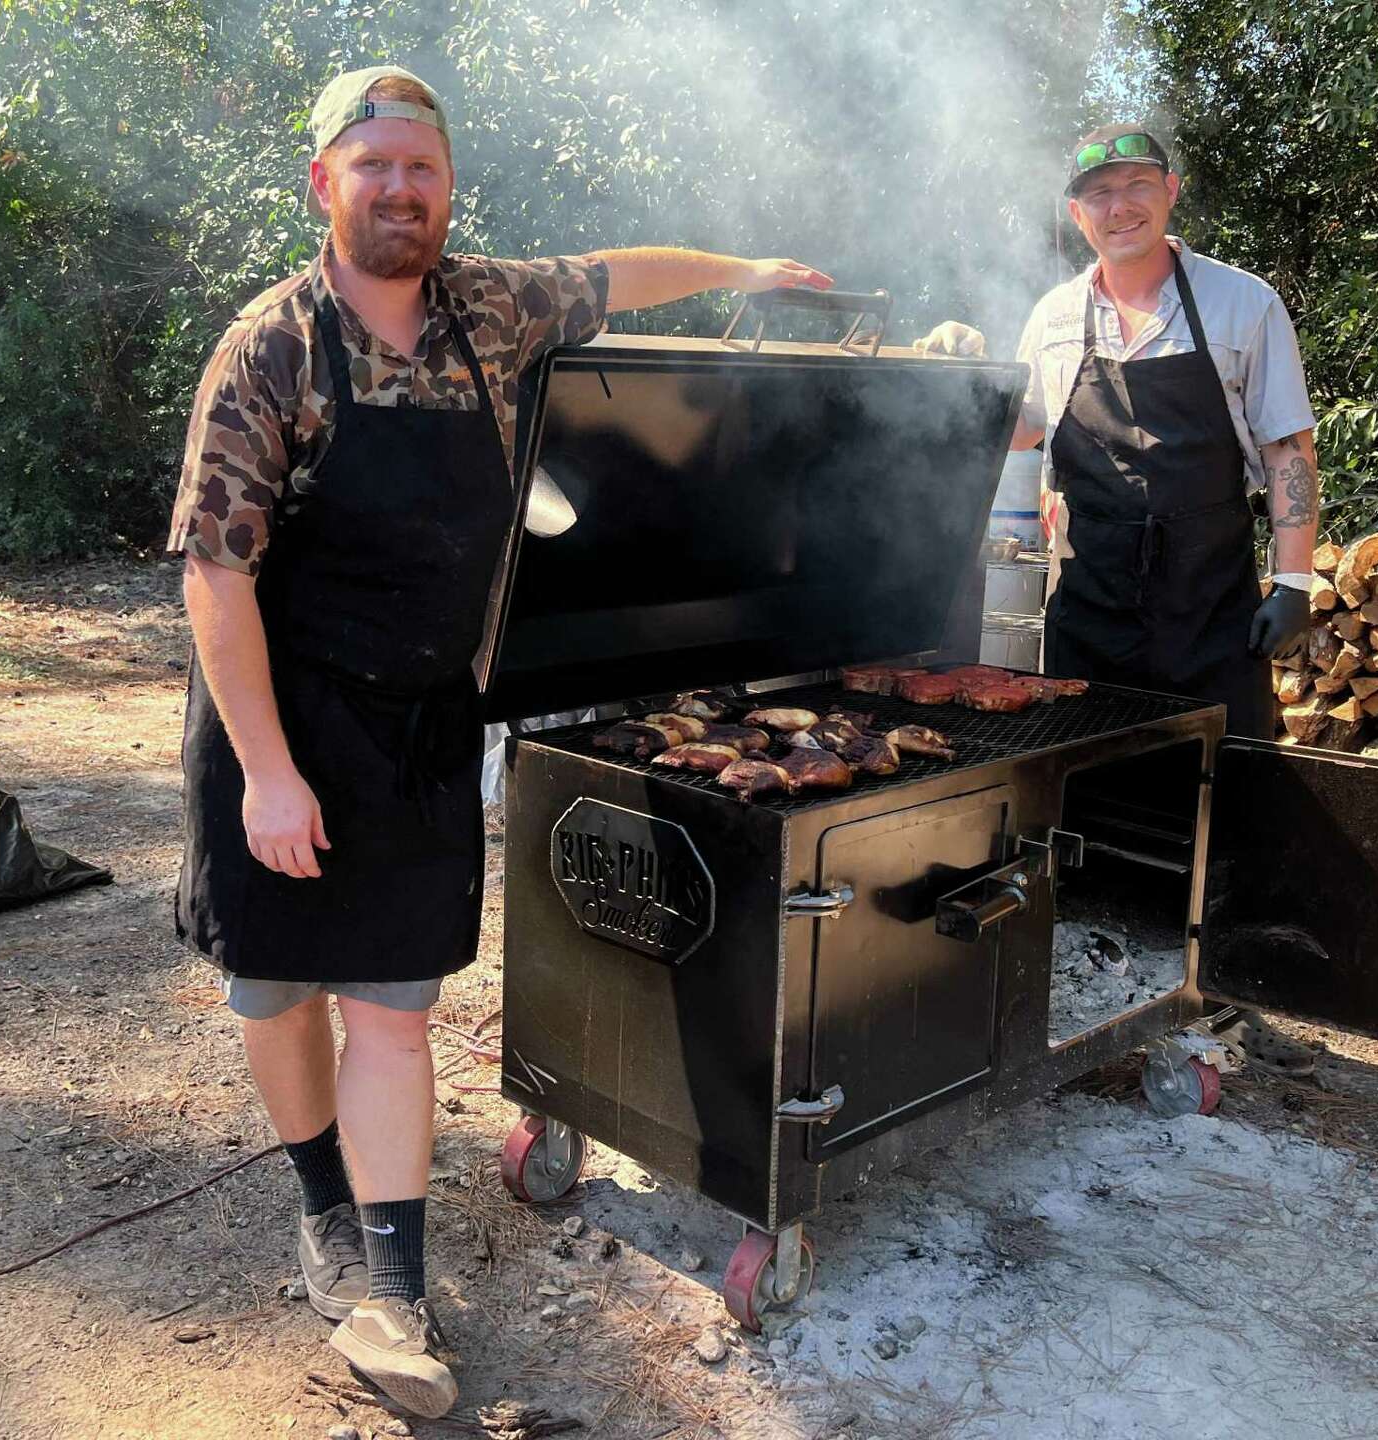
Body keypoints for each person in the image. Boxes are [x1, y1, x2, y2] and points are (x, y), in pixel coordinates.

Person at [166, 64, 831, 1418]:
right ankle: (321, 1203)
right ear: (324, 185)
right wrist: (273, 776)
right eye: (374, 167)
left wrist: (747, 264)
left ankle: (391, 1296)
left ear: (448, 185)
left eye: (422, 167)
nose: (400, 189)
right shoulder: (272, 344)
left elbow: (618, 273)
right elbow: (214, 573)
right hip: (277, 727)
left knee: (397, 1008)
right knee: (277, 990)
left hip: (420, 726)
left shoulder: (491, 306)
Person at [920, 125, 1320, 1070]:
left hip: (1210, 600)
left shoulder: (1239, 304)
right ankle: (1081, 989)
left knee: (1222, 799)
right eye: (1100, 194)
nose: (1120, 207)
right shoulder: (1055, 317)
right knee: (1085, 799)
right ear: (1076, 213)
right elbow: (1024, 431)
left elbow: (1287, 453)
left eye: (1137, 186)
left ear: (1171, 191)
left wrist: (1295, 580)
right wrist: (958, 377)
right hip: (1092, 602)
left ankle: (1223, 997)